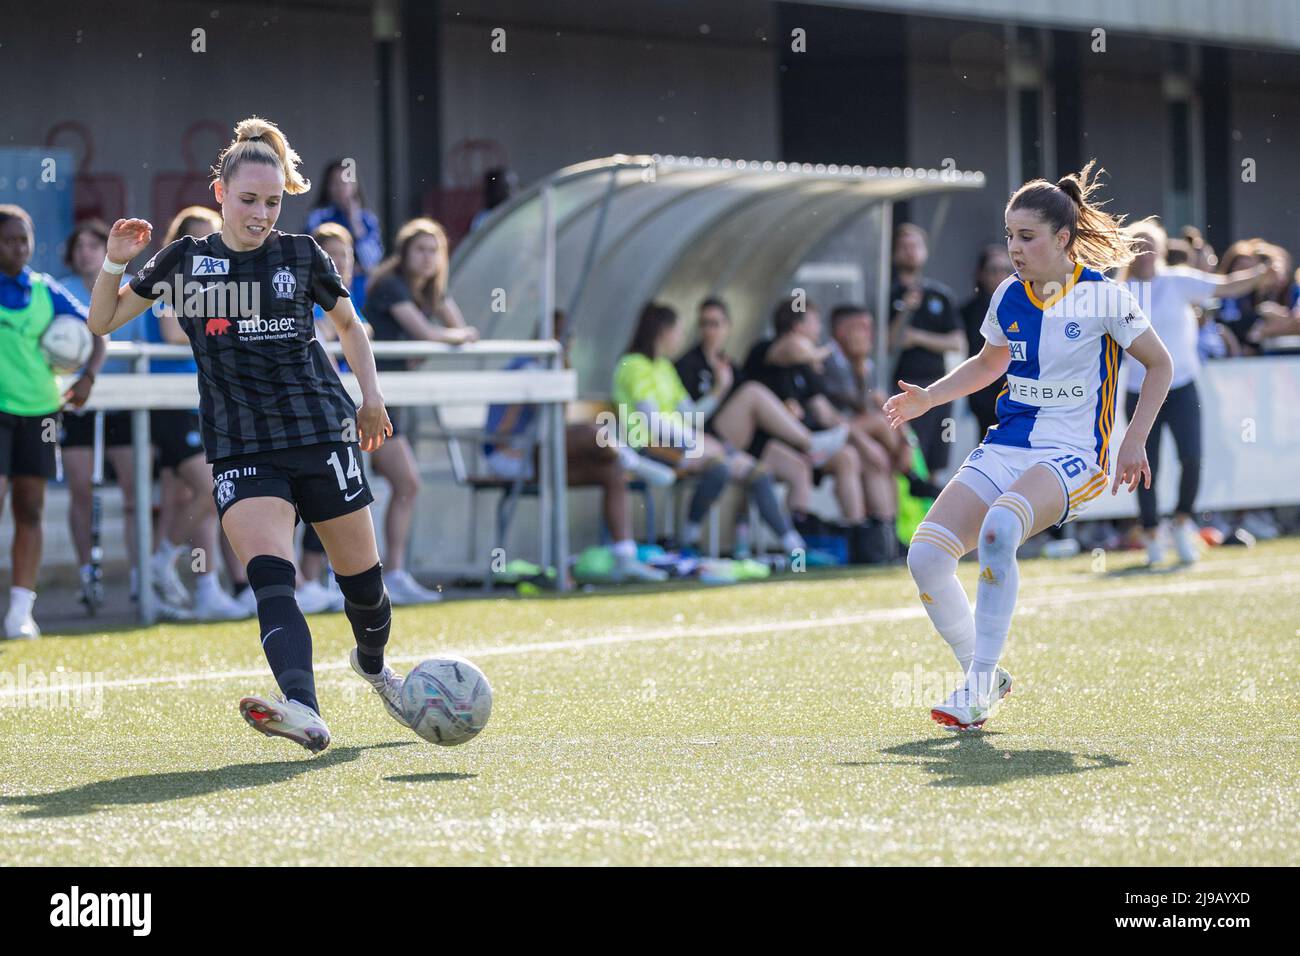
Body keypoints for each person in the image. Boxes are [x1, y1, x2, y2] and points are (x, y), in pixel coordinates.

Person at [89, 117, 417, 753]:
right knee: (273, 578)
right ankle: (303, 707)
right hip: (242, 447)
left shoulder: (302, 254)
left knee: (365, 594)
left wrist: (371, 398)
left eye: (272, 202)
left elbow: (351, 327)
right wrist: (113, 262)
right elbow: (102, 320)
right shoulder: (185, 261)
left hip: (322, 433)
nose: (262, 213)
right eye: (249, 200)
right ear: (219, 193)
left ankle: (374, 665)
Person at [886, 160, 1173, 731]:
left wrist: (1133, 441)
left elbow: (1159, 365)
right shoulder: (1007, 298)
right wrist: (930, 398)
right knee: (925, 557)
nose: (1013, 249)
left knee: (999, 530)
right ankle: (983, 672)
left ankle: (976, 689)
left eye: (1026, 237)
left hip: (1074, 456)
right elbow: (989, 363)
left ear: (1063, 238)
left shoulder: (1104, 298)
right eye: (1009, 236)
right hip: (1008, 444)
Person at [613, 302, 814, 559]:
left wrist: (719, 390)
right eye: (679, 330)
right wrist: (696, 441)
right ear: (663, 331)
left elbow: (690, 415)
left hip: (679, 443)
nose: (682, 337)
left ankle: (794, 546)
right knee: (718, 463)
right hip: (648, 447)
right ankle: (689, 538)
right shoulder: (634, 365)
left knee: (756, 472)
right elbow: (652, 422)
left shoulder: (663, 367)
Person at [485, 310, 672, 583]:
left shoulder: (553, 368)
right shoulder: (526, 368)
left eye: (569, 336)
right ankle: (632, 461)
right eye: (560, 334)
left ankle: (625, 557)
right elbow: (505, 429)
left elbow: (555, 421)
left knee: (611, 472)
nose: (566, 341)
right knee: (589, 432)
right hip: (509, 456)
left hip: (540, 454)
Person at [1120, 221, 1267, 565]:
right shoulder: (1120, 289)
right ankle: (1152, 531)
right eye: (1137, 246)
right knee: (1144, 465)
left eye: (1150, 244)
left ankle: (1183, 521)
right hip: (1138, 391)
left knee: (1192, 457)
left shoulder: (1177, 280)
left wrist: (1261, 273)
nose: (1145, 252)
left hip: (1182, 384)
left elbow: (1225, 287)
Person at [674, 297, 850, 555]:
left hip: (744, 442)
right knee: (753, 393)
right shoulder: (688, 365)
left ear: (728, 327)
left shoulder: (730, 364)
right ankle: (809, 441)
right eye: (704, 324)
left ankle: (799, 547)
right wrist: (719, 389)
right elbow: (691, 417)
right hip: (705, 440)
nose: (709, 330)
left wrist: (784, 409)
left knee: (794, 469)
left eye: (716, 323)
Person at [362, 217, 479, 604]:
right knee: (376, 488)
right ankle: (352, 577)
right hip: (366, 399)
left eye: (435, 251)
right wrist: (450, 338)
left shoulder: (431, 288)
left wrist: (451, 335)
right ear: (404, 253)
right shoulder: (390, 284)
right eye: (421, 250)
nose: (429, 258)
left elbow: (461, 329)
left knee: (405, 484)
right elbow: (431, 335)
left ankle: (392, 573)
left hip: (395, 401)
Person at [142, 205, 250, 621]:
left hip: (207, 401)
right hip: (170, 404)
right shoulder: (168, 281)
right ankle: (161, 559)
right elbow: (172, 333)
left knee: (201, 496)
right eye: (198, 238)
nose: (208, 248)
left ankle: (206, 587)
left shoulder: (223, 285)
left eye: (213, 237)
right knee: (209, 490)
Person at [0, 205, 103, 639]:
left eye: (25, 240)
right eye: (9, 240)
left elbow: (98, 329)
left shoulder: (46, 290)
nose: (19, 248)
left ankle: (20, 611)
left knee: (30, 510)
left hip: (42, 413)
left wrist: (87, 378)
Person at [746, 298, 898, 561]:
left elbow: (826, 413)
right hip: (770, 444)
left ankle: (862, 541)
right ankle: (801, 549)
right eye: (814, 321)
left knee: (850, 457)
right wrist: (824, 352)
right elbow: (793, 348)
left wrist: (861, 442)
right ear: (797, 326)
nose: (818, 329)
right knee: (869, 432)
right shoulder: (767, 350)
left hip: (810, 444)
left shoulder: (807, 366)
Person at [56, 219, 146, 611]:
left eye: (93, 245)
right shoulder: (61, 290)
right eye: (79, 247)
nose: (85, 253)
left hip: (124, 405)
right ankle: (85, 574)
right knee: (80, 490)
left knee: (133, 491)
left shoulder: (132, 288)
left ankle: (139, 575)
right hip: (78, 405)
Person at [888, 223, 965, 475]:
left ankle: (931, 507)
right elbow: (889, 342)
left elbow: (957, 342)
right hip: (903, 385)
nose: (910, 252)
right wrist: (905, 311)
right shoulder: (886, 292)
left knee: (936, 455)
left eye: (915, 246)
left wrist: (918, 337)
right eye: (904, 247)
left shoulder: (940, 295)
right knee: (909, 453)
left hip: (938, 386)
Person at [304, 159, 384, 308]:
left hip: (361, 291)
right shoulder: (318, 216)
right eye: (335, 183)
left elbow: (372, 263)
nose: (341, 189)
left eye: (346, 183)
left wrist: (356, 223)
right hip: (325, 288)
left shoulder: (366, 219)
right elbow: (312, 256)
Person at [959, 246, 1014, 441]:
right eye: (993, 270)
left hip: (1015, 389)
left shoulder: (1020, 307)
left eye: (1006, 270)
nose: (1000, 275)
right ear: (980, 273)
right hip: (983, 390)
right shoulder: (968, 311)